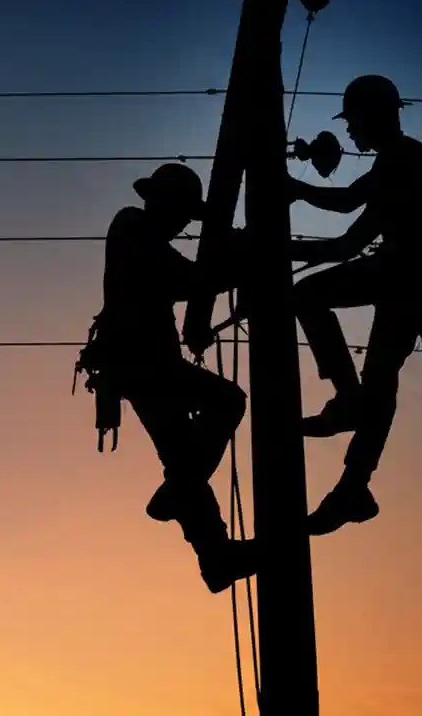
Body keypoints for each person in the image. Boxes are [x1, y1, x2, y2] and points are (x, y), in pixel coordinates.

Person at [287, 74, 422, 536]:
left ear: (374, 114)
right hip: (409, 278)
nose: (351, 132)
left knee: (320, 310)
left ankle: (351, 439)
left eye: (353, 120)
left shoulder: (404, 157)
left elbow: (348, 207)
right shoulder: (397, 167)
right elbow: (349, 242)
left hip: (414, 277)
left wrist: (292, 188)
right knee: (377, 381)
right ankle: (353, 479)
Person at [83, 162, 257, 593]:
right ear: (157, 201)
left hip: (144, 368)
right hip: (146, 366)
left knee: (184, 460)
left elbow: (190, 279)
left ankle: (215, 560)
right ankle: (179, 493)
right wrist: (243, 261)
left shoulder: (144, 238)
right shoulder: (132, 227)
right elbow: (188, 279)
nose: (181, 224)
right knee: (228, 402)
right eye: (180, 212)